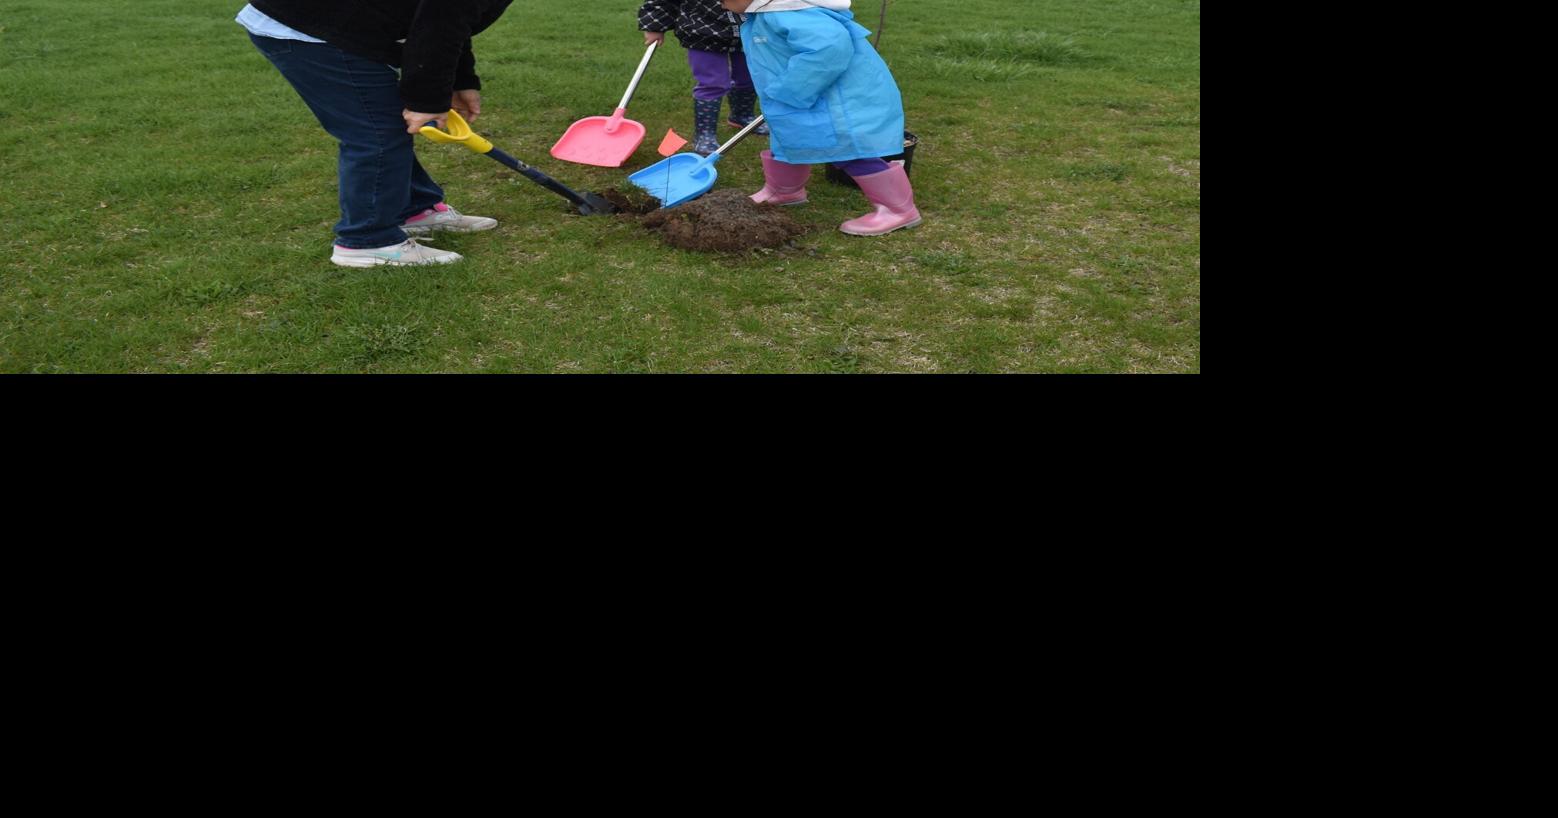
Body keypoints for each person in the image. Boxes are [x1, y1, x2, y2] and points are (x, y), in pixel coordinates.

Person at [237, 1, 514, 267]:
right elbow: (440, 21)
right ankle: (366, 240)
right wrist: (427, 100)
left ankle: (414, 209)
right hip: (312, 26)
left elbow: (450, 17)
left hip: (333, 22)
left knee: (384, 124)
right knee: (376, 133)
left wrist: (461, 80)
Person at [721, 0, 921, 236]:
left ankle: (897, 209)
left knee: (846, 150)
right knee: (788, 135)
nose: (721, 4)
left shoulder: (789, 15)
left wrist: (790, 90)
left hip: (832, 100)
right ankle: (784, 190)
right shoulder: (768, 14)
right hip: (801, 97)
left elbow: (829, 48)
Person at [638, 0, 770, 156]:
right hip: (702, 32)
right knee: (712, 83)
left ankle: (742, 115)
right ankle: (705, 134)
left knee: (749, 76)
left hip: (749, 29)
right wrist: (654, 25)